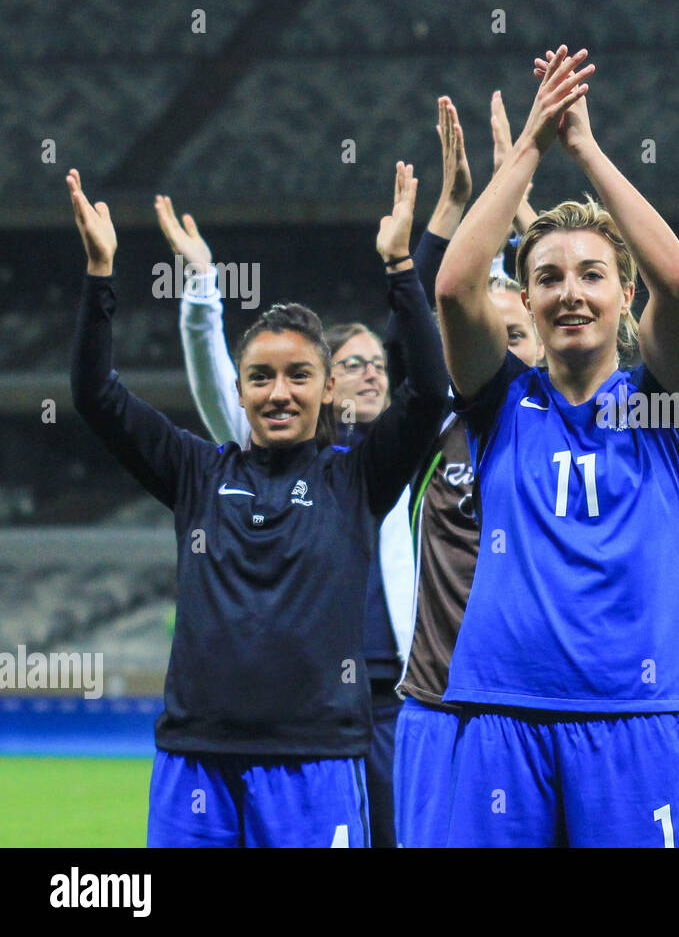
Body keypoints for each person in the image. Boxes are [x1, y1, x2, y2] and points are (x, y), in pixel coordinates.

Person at [69, 162, 446, 847]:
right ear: (237, 392)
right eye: (261, 377)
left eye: (299, 375)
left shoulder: (357, 479)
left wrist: (401, 268)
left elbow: (428, 394)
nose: (279, 392)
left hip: (318, 763)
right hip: (195, 760)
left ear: (329, 388)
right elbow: (98, 397)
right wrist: (100, 276)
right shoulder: (196, 470)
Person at [433, 45, 679, 847]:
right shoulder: (500, 402)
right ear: (524, 298)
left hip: (638, 711)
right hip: (505, 713)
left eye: (593, 275)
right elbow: (454, 287)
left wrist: (586, 150)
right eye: (549, 277)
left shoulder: (663, 408)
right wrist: (528, 148)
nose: (569, 293)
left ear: (624, 294)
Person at [153, 196, 415, 849]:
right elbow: (221, 389)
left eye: (379, 363)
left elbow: (444, 371)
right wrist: (203, 294)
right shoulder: (276, 455)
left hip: (406, 696)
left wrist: (414, 260)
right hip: (322, 711)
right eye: (352, 362)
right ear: (327, 381)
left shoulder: (405, 455)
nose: (370, 374)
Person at [393, 93, 543, 848]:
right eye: (492, 336)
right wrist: (449, 213)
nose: (505, 350)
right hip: (437, 704)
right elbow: (419, 330)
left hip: (534, 704)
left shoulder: (582, 429)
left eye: (520, 334)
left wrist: (524, 204)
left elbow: (605, 303)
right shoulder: (437, 428)